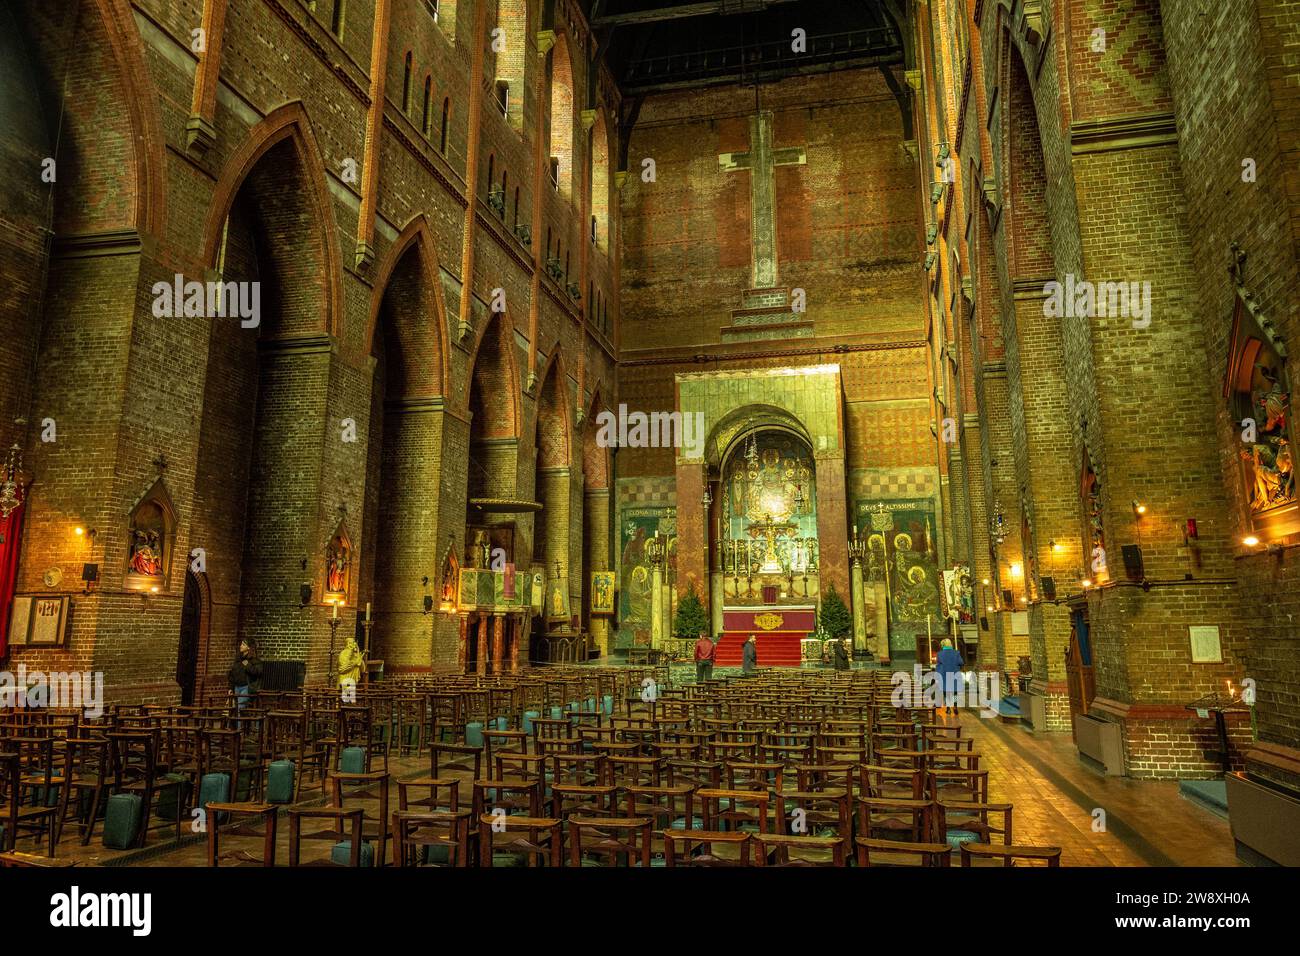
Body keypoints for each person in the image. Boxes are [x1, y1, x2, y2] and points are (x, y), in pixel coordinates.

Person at [227, 639, 262, 711]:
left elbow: (257, 672)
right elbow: (232, 674)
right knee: (236, 709)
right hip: (237, 687)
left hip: (246, 687)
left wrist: (247, 665)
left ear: (248, 647)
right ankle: (238, 722)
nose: (241, 646)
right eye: (241, 644)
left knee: (240, 707)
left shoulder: (254, 660)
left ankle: (241, 722)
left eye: (243, 644)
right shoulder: (238, 659)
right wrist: (230, 688)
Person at [935, 637, 965, 716]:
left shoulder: (940, 654)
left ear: (943, 645)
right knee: (955, 692)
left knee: (946, 692)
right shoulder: (956, 653)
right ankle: (955, 706)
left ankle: (948, 709)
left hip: (944, 675)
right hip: (954, 674)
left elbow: (938, 666)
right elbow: (961, 662)